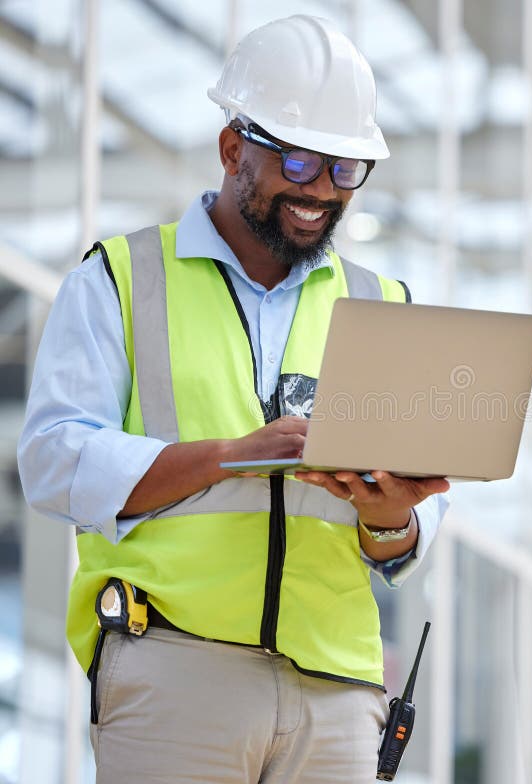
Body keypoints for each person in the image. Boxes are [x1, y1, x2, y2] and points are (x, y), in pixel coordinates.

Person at [17, 14, 449, 783]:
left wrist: (394, 520)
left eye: (346, 170)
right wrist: (226, 458)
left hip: (340, 689)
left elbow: (406, 540)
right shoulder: (121, 280)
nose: (322, 191)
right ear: (232, 150)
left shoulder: (383, 303)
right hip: (177, 668)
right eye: (300, 161)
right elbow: (53, 462)